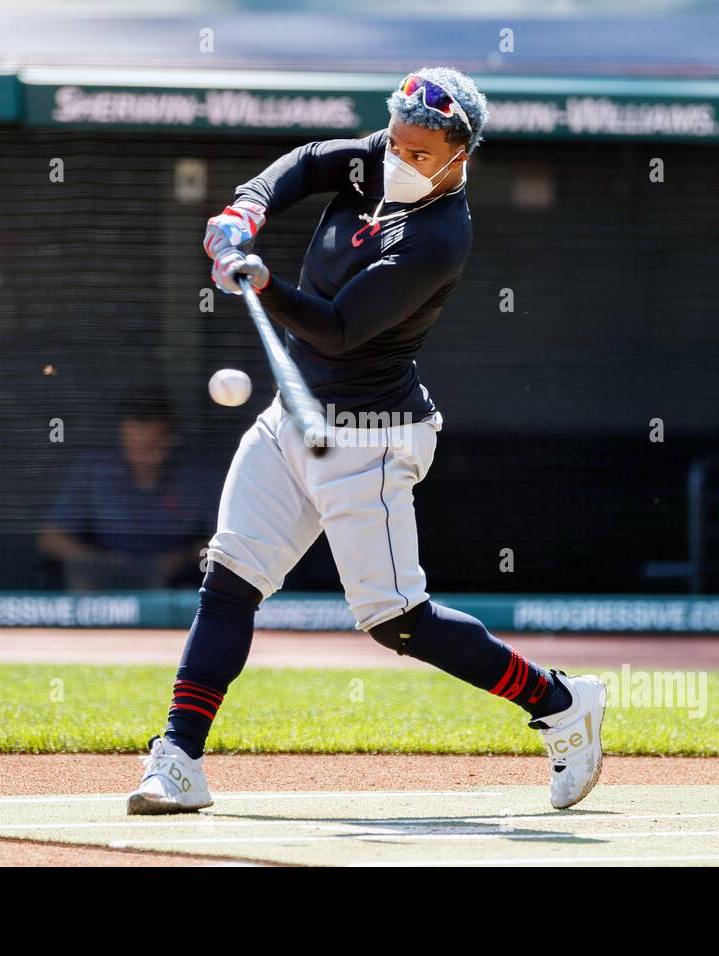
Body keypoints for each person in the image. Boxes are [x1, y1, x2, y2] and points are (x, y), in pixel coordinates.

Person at [127, 68, 607, 815]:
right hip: (294, 418)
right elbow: (308, 162)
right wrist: (244, 208)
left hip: (372, 436)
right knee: (230, 579)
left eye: (421, 153)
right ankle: (178, 757)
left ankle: (559, 701)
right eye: (398, 141)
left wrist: (262, 285)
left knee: (393, 618)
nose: (399, 158)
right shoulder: (372, 158)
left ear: (460, 156)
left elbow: (341, 329)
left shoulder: (440, 238)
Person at [38, 400, 213, 591]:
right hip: (104, 588)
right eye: (133, 447)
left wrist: (181, 558)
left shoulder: (198, 476)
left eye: (152, 447)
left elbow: (226, 540)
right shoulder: (96, 471)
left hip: (178, 589)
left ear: (171, 441)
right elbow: (51, 537)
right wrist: (100, 562)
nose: (142, 457)